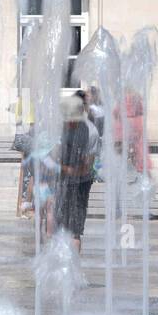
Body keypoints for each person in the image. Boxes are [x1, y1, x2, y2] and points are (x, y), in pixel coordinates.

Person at [53, 93, 100, 252]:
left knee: (74, 232)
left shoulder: (90, 131)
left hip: (80, 186)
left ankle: (73, 270)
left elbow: (87, 166)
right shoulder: (63, 127)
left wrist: (62, 168)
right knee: (60, 228)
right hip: (64, 183)